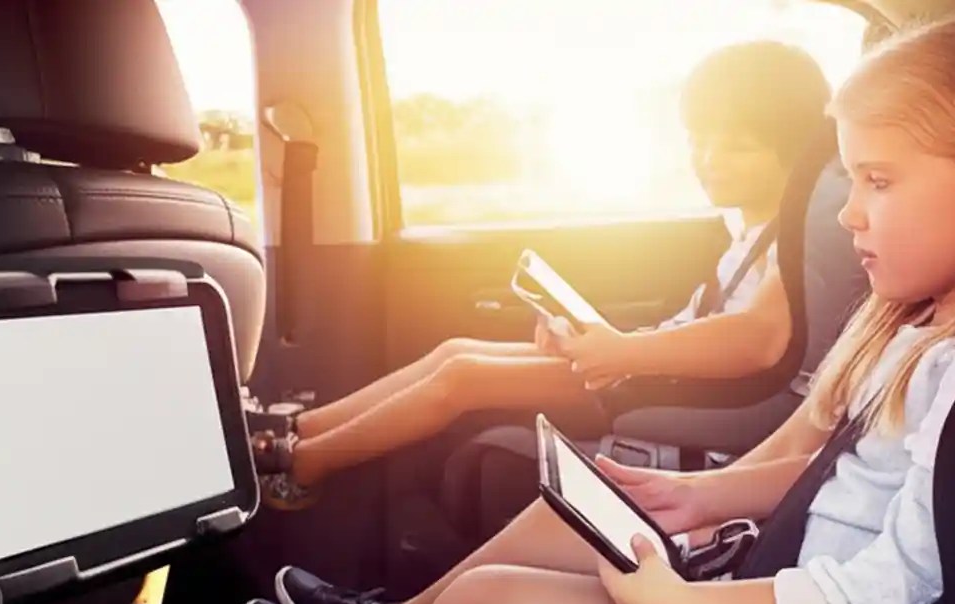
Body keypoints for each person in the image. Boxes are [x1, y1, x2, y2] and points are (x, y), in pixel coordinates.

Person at [238, 7, 955, 604]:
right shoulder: (934, 331)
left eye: (877, 183)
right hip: (785, 585)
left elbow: (879, 599)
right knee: (500, 586)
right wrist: (702, 496)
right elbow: (836, 469)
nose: (849, 217)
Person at [251, 41, 832, 509]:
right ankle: (297, 425)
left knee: (464, 379)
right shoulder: (752, 229)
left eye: (737, 147)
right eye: (699, 140)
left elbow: (761, 340)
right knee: (456, 351)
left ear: (793, 150)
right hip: (656, 369)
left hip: (676, 391)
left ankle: (299, 463)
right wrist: (606, 342)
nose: (707, 158)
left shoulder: (795, 237)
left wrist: (628, 353)